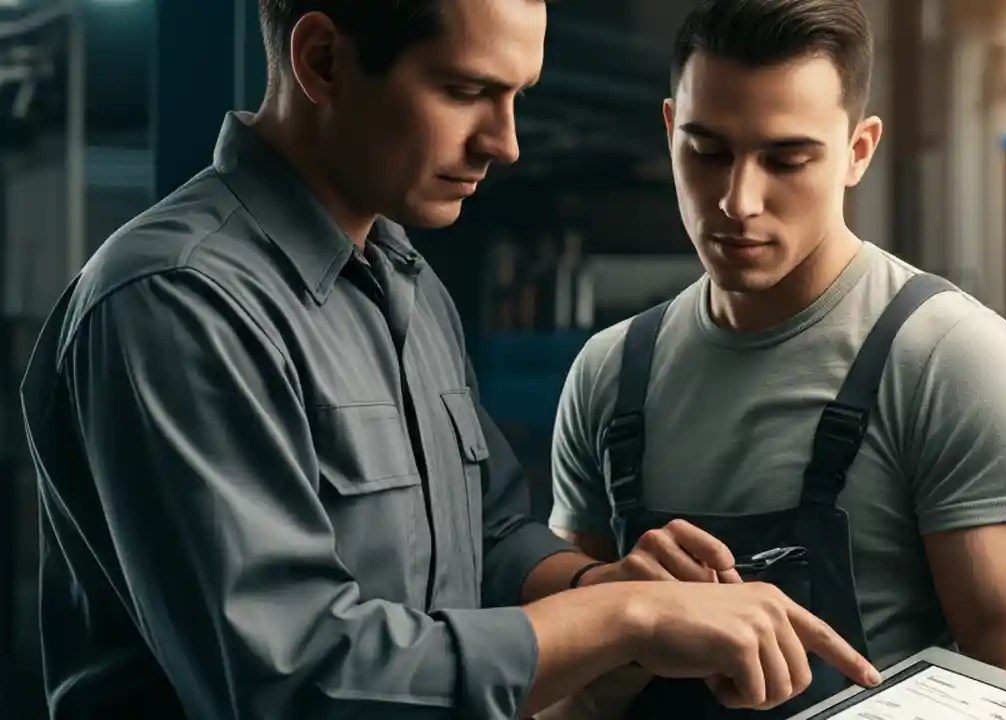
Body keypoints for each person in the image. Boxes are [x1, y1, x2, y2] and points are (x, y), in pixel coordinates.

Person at [19, 2, 883, 719]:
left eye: (516, 95)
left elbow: (490, 533)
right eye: (468, 90)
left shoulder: (406, 280)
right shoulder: (178, 303)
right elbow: (294, 680)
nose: (505, 142)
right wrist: (624, 614)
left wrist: (595, 576)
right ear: (322, 60)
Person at [549, 0, 1006, 716]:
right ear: (670, 129)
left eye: (787, 158)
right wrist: (620, 636)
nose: (738, 199)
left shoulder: (953, 362)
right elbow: (562, 693)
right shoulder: (607, 375)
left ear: (859, 151)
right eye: (707, 152)